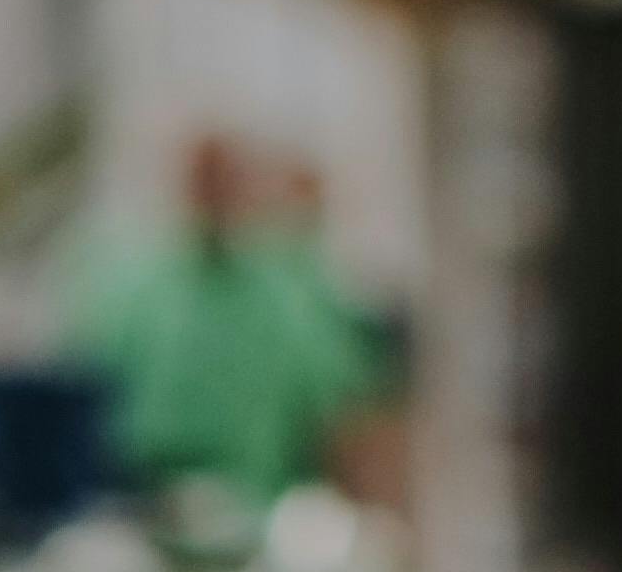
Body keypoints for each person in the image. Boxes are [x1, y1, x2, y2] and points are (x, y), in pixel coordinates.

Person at [68, 136, 394, 512]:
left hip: (261, 507)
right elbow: (96, 403)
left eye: (223, 180)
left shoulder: (285, 296)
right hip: (152, 503)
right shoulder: (135, 293)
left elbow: (346, 408)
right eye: (204, 180)